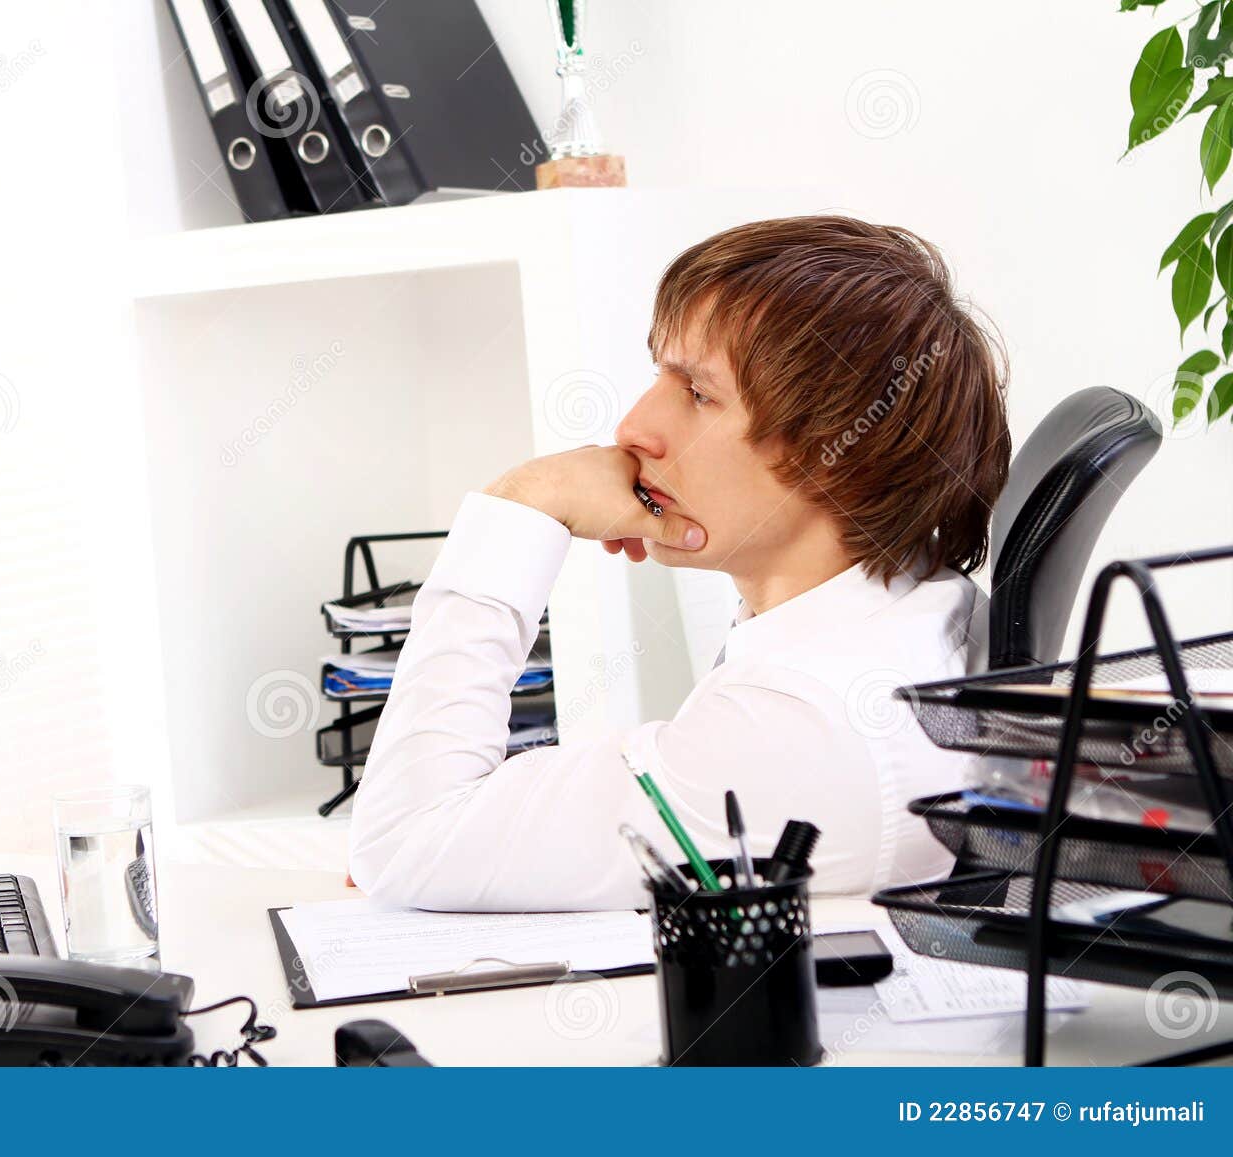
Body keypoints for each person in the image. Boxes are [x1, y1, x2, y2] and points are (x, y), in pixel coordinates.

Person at [347, 215, 1010, 911]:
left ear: (842, 457)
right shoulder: (907, 606)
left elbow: (401, 843)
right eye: (661, 374)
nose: (634, 427)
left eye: (698, 393)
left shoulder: (794, 728)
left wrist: (522, 502)